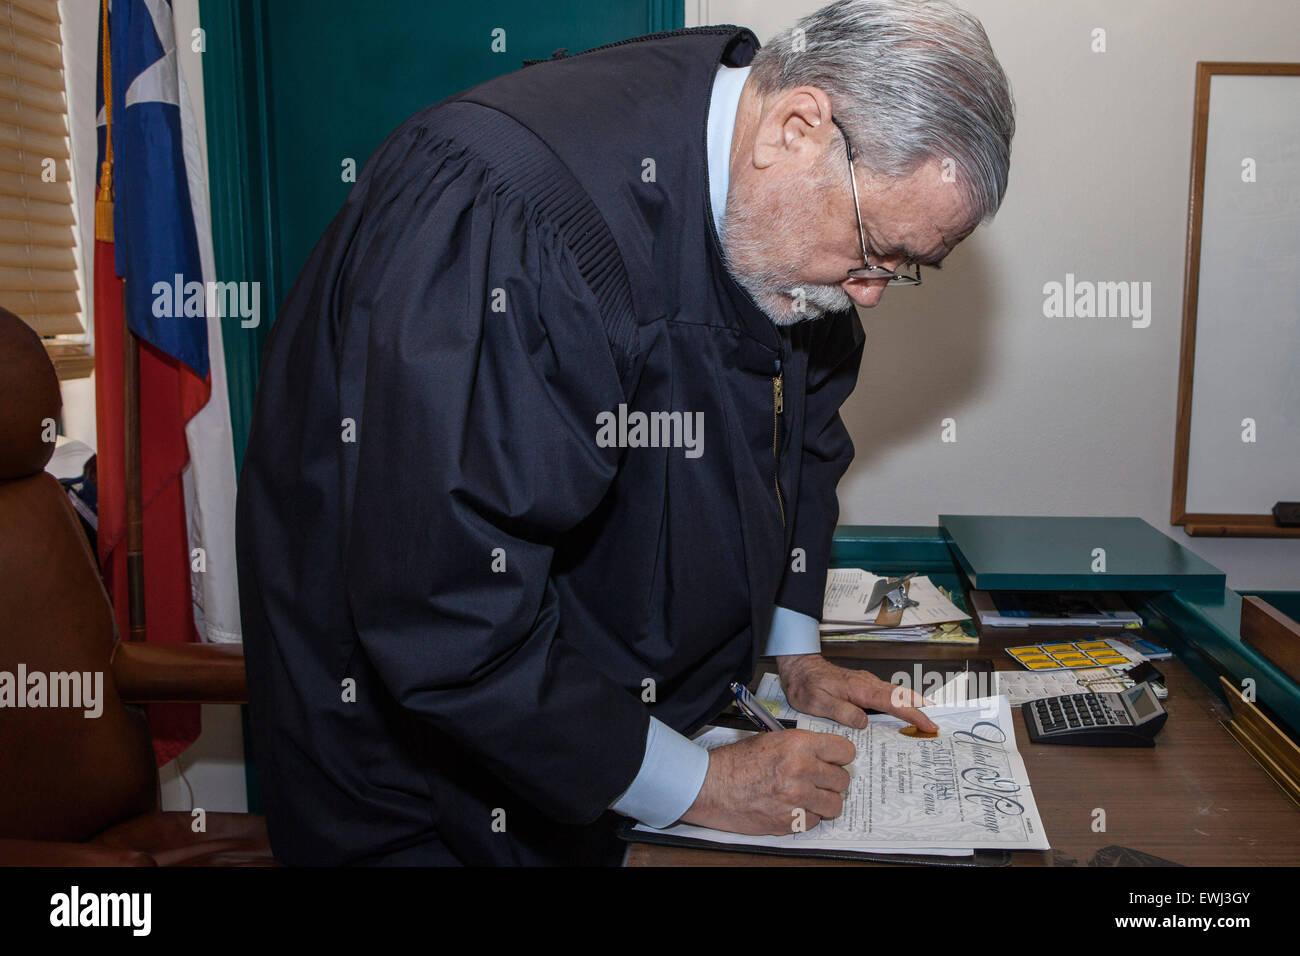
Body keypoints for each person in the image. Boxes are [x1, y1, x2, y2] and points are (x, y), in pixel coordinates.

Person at [236, 0, 1015, 865]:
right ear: (798, 127)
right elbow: (448, 608)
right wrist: (702, 786)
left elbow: (804, 441)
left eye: (906, 269)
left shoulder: (788, 247)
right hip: (427, 784)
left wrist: (795, 654)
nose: (872, 291)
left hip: (617, 733)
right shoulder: (505, 215)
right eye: (876, 248)